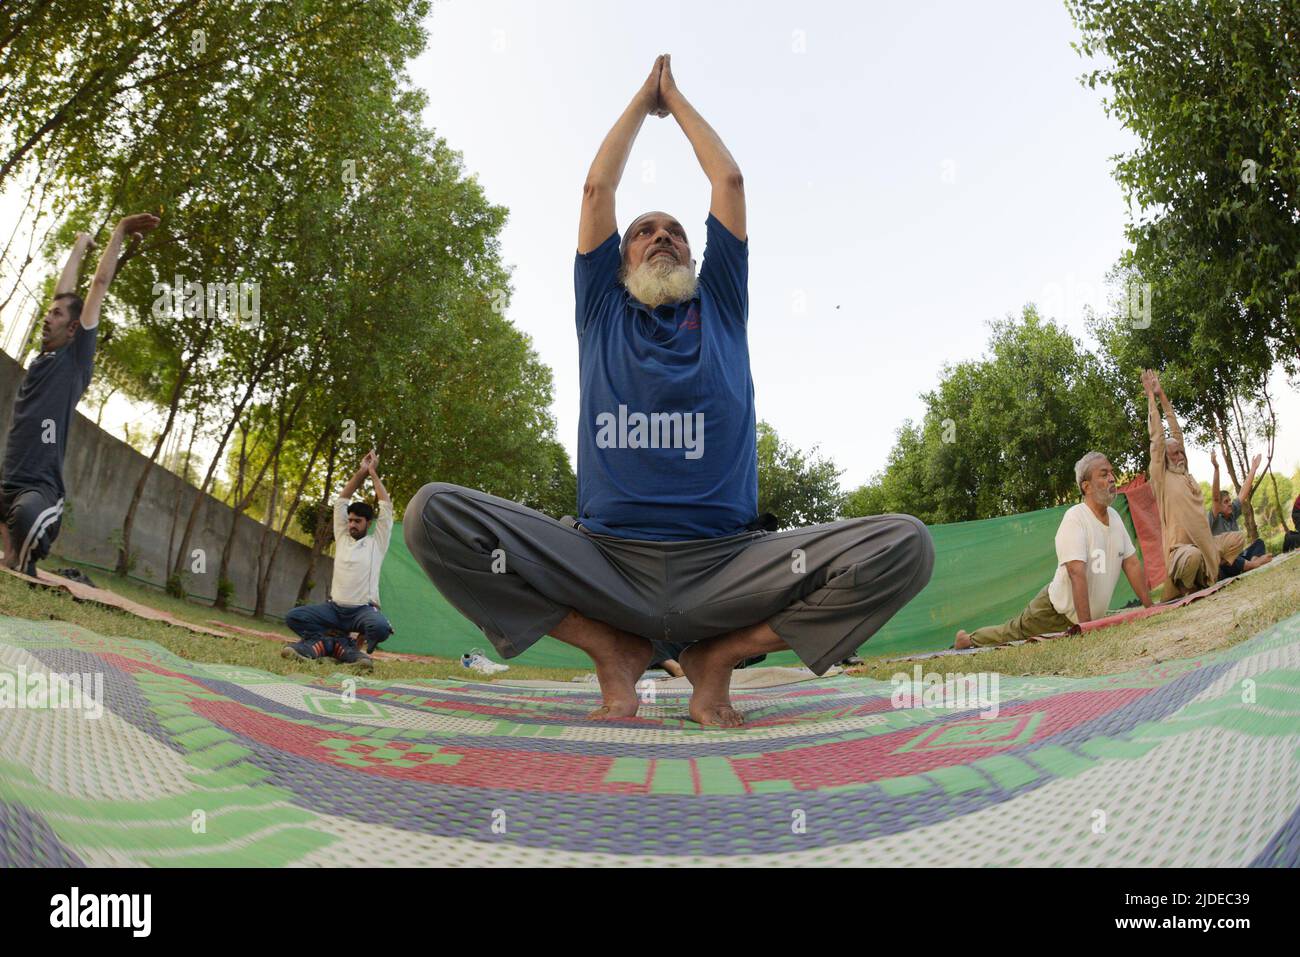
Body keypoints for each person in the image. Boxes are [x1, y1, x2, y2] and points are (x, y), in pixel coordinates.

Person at [404, 55, 933, 727]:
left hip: (728, 567)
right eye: (644, 232)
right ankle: (612, 650)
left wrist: (674, 99)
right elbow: (598, 190)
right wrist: (640, 99)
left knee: (905, 544)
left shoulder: (721, 303)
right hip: (602, 561)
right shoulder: (600, 308)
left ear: (691, 255)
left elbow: (729, 178)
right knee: (432, 516)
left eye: (674, 232)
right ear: (620, 259)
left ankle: (718, 659)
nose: (660, 236)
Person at [0, 214, 160, 575]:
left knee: (27, 518)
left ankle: (19, 552)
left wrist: (118, 230)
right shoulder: (45, 356)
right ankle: (10, 549)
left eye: (55, 315)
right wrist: (79, 245)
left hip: (38, 490)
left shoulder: (74, 360)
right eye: (47, 313)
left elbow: (99, 285)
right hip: (7, 480)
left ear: (74, 327)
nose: (47, 317)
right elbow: (64, 292)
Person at [955, 452, 1152, 648]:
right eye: (1103, 474)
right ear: (1087, 486)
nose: (1112, 478)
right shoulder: (1075, 518)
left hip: (1079, 618)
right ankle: (967, 639)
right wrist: (1087, 628)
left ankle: (969, 638)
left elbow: (1132, 563)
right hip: (1052, 613)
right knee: (1012, 633)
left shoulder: (1115, 518)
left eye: (1112, 472)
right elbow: (1076, 572)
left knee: (1012, 632)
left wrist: (1150, 608)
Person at [282, 450, 394, 670]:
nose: (352, 525)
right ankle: (327, 644)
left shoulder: (376, 543)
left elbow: (387, 507)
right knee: (294, 617)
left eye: (357, 521)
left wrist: (372, 473)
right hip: (333, 609)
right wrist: (360, 471)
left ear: (368, 523)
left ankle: (352, 648)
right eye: (350, 520)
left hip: (362, 611)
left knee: (380, 627)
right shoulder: (342, 536)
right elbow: (342, 500)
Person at [1143, 369, 1248, 597]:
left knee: (1237, 539)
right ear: (1164, 457)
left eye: (1181, 452)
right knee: (1192, 557)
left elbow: (1176, 433)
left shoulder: (1186, 475)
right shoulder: (1161, 477)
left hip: (1206, 544)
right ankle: (1186, 587)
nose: (1179, 456)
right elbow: (1158, 440)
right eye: (1174, 454)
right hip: (1181, 552)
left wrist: (1162, 395)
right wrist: (1151, 399)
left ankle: (1206, 576)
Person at [1208, 448, 1270, 578]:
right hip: (1225, 561)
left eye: (1229, 500)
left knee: (1259, 543)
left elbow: (1242, 494)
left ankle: (1251, 562)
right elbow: (1214, 497)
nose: (1230, 503)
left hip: (1239, 557)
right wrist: (1216, 468)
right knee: (1228, 561)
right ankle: (1253, 565)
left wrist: (1253, 468)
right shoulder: (1214, 517)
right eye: (1226, 502)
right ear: (1218, 505)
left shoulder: (1232, 512)